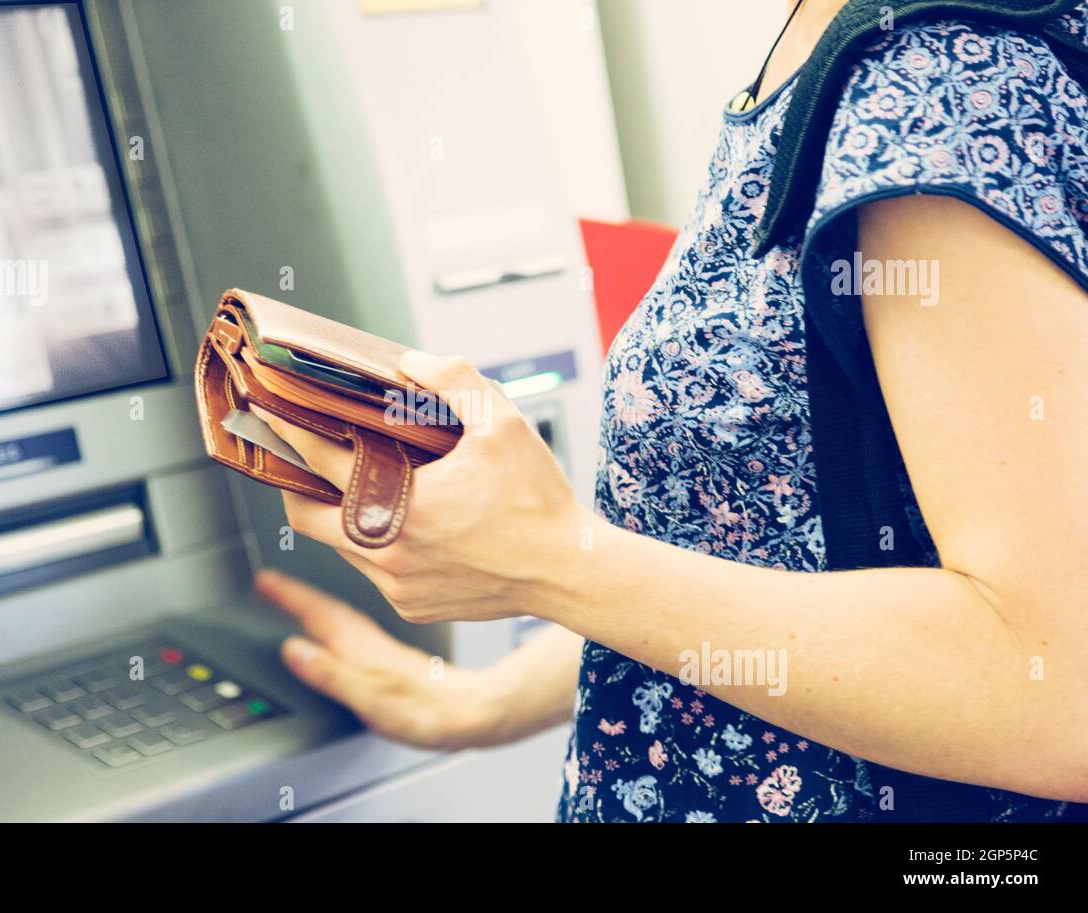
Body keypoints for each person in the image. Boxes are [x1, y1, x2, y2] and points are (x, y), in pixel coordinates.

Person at [252, 0, 1088, 822]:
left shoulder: (934, 77)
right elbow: (766, 552)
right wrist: (483, 700)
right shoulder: (834, 35)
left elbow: (1056, 685)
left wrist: (548, 559)